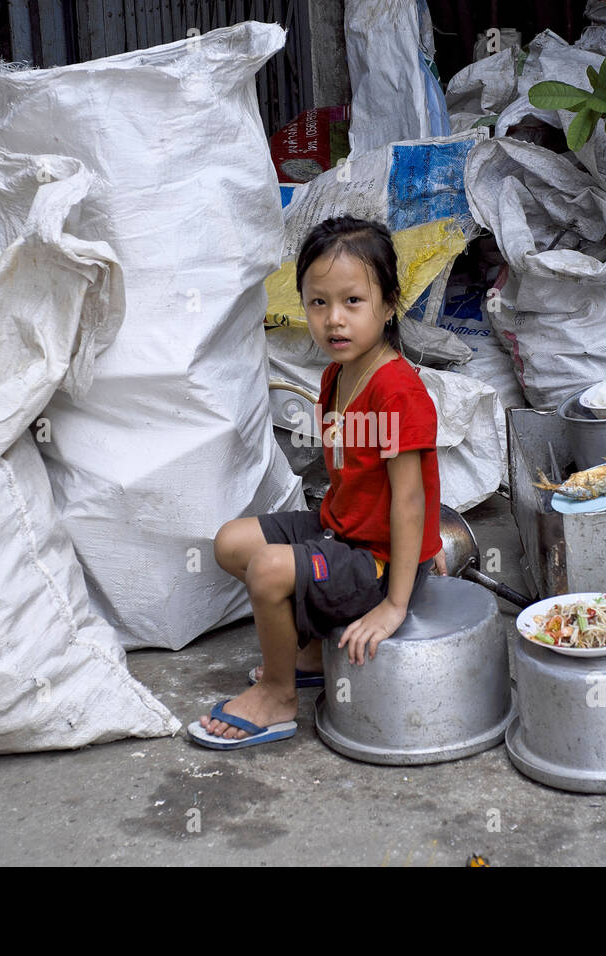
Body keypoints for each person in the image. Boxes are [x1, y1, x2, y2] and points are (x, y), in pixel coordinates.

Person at [188, 215, 446, 749]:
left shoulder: (396, 390)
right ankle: (307, 655)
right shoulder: (336, 375)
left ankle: (279, 699)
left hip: (377, 562)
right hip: (342, 533)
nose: (334, 320)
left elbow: (409, 499)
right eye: (318, 302)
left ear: (390, 303)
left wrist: (396, 601)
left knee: (269, 568)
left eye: (353, 301)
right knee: (231, 542)